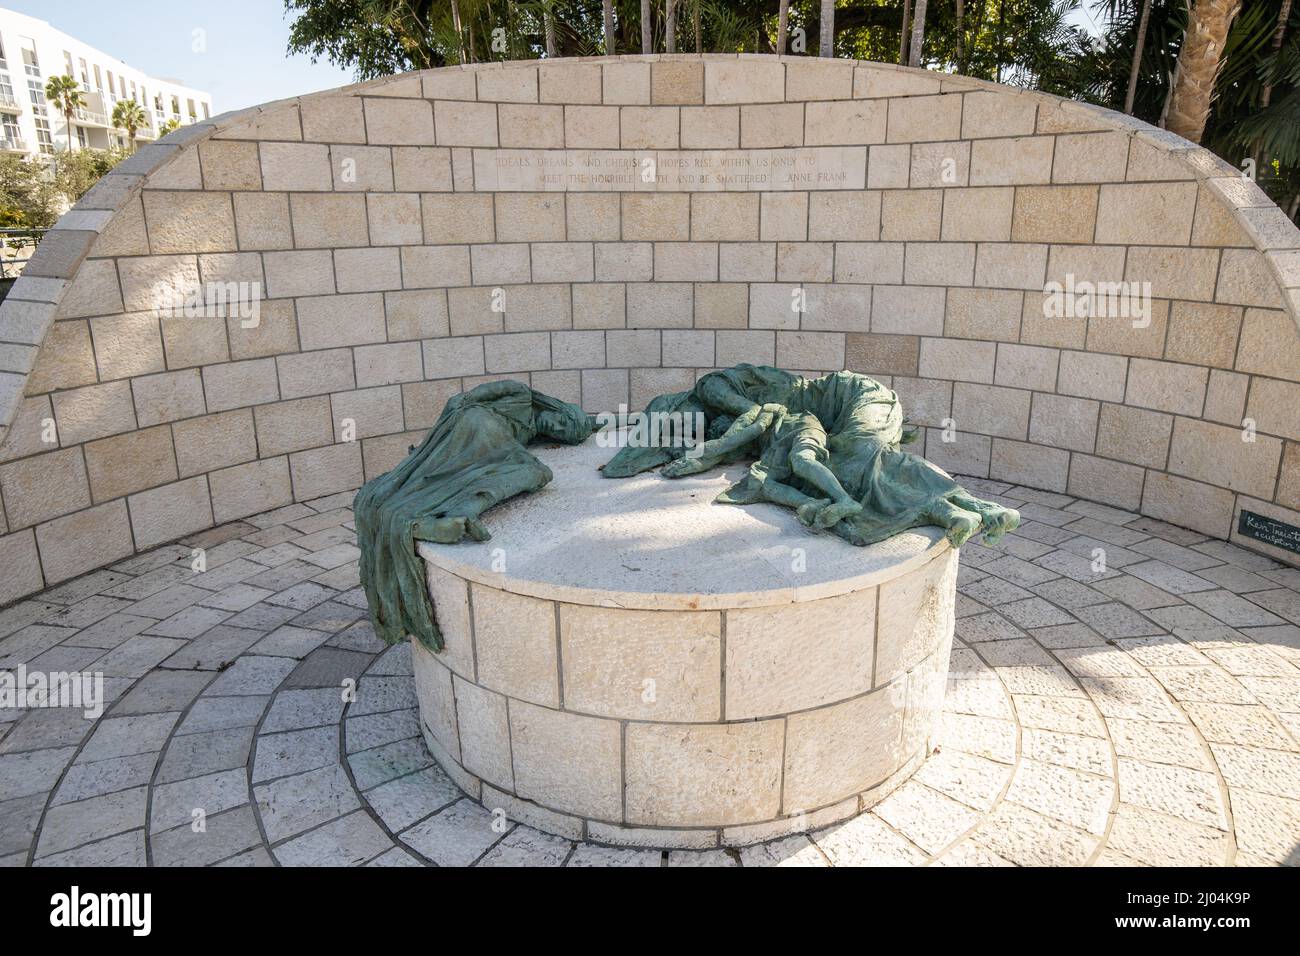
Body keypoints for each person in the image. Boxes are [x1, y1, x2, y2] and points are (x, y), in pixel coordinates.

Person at [604, 364, 1019, 549]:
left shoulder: (715, 389)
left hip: (859, 395)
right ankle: (959, 510)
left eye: (695, 426)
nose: (702, 430)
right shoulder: (756, 417)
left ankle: (965, 506)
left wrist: (705, 456)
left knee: (861, 452)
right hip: (831, 422)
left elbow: (745, 415)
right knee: (850, 462)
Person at [355, 380, 595, 650]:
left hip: (490, 444)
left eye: (563, 432)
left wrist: (639, 419)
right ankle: (446, 512)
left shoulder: (528, 432)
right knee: (533, 471)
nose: (557, 428)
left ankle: (454, 515)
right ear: (556, 408)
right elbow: (483, 393)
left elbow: (598, 423)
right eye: (562, 421)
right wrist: (467, 400)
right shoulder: (522, 396)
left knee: (526, 472)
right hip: (475, 425)